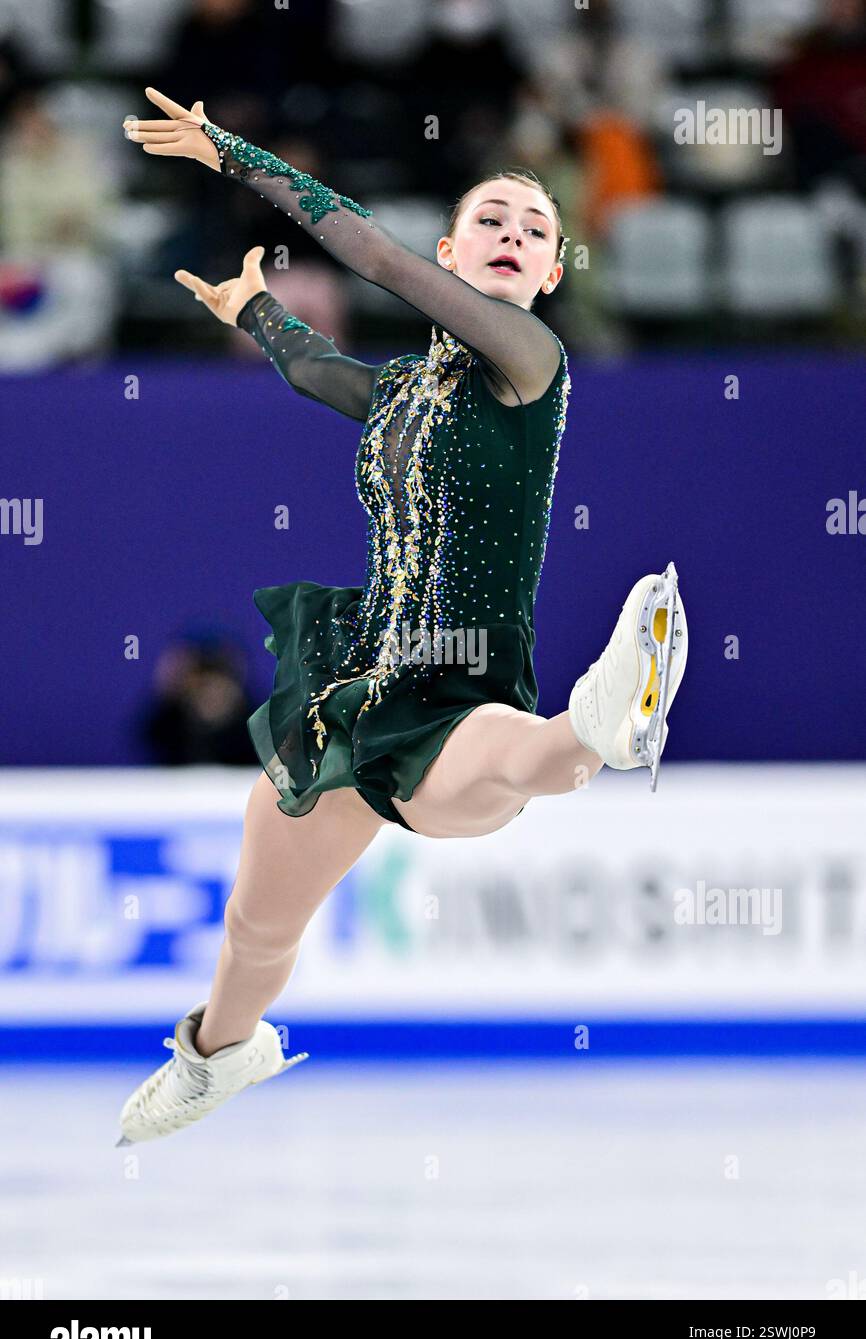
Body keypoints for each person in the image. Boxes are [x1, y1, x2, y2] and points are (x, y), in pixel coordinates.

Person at [116, 88, 688, 1144]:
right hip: (361, 687)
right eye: (491, 220)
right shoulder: (401, 395)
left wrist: (228, 151)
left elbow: (373, 257)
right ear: (452, 250)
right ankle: (215, 1055)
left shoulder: (529, 364)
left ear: (550, 274)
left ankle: (600, 723)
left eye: (535, 231)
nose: (514, 234)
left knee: (518, 757)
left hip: (466, 687)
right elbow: (319, 371)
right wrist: (256, 314)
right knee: (256, 920)